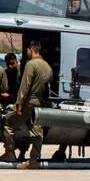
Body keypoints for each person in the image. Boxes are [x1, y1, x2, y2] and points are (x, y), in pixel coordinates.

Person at [3, 40, 54, 169]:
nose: (26, 52)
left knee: (8, 123)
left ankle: (9, 152)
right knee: (37, 132)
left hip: (28, 103)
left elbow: (25, 87)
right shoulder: (47, 66)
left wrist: (19, 104)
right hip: (39, 103)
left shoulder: (31, 65)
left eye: (27, 50)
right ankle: (33, 160)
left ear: (32, 50)